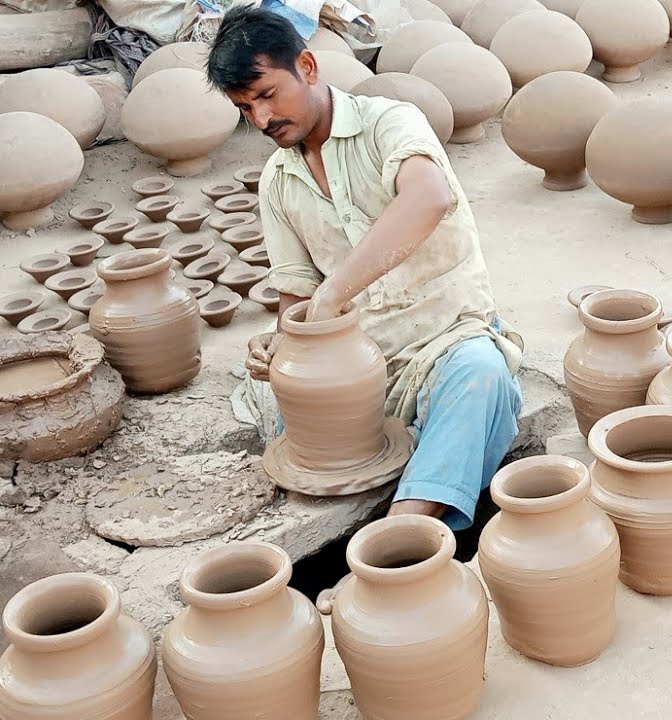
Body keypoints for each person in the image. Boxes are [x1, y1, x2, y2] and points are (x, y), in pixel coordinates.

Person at [207, 6, 524, 610]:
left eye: (269, 95)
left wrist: (334, 294)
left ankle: (393, 549)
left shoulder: (389, 123)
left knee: (483, 379)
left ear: (306, 66)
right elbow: (298, 303)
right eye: (245, 109)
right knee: (280, 405)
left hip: (444, 338)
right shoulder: (278, 181)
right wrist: (279, 343)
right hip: (367, 361)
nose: (263, 118)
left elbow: (427, 197)